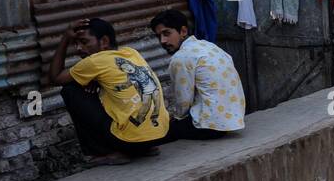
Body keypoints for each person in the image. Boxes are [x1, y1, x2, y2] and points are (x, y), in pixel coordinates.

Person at [46, 17, 167, 165]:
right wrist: (95, 81)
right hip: (159, 134)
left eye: (84, 42)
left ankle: (109, 152)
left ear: (104, 41)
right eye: (75, 43)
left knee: (70, 90)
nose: (78, 48)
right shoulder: (131, 53)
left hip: (129, 141)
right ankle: (144, 148)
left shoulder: (94, 61)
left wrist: (65, 38)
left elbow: (55, 77)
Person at [150, 10, 245, 139]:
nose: (163, 41)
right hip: (232, 120)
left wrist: (176, 119)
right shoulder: (208, 46)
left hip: (209, 126)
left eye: (167, 33)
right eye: (158, 36)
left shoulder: (181, 57)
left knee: (159, 132)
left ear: (183, 31)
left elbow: (183, 102)